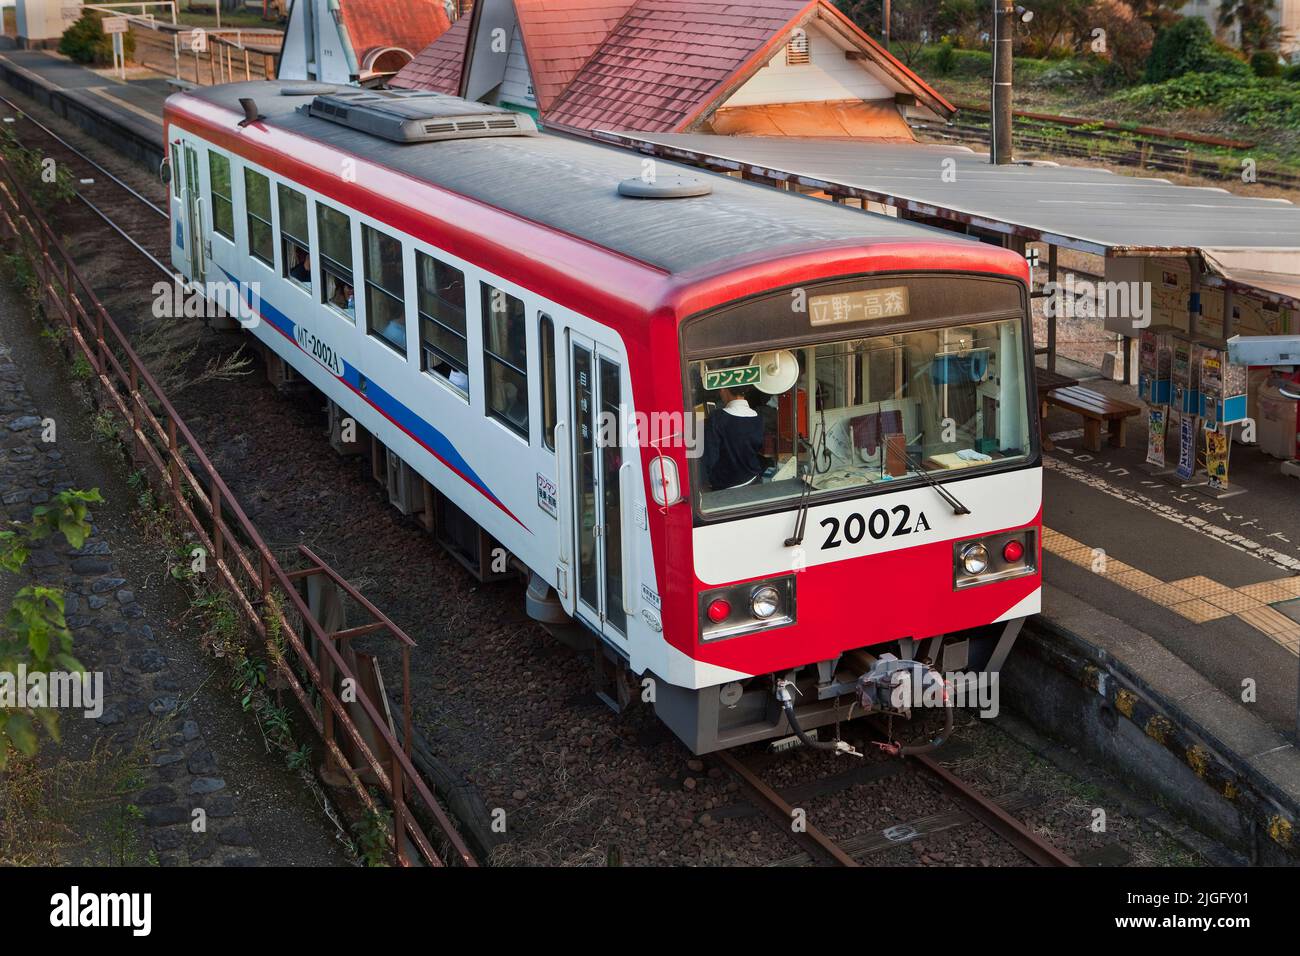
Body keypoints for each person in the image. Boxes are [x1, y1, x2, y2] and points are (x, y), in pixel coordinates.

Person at [703, 385, 765, 490]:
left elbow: (710, 458)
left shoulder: (717, 418)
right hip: (753, 480)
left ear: (723, 389)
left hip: (726, 486)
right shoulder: (758, 418)